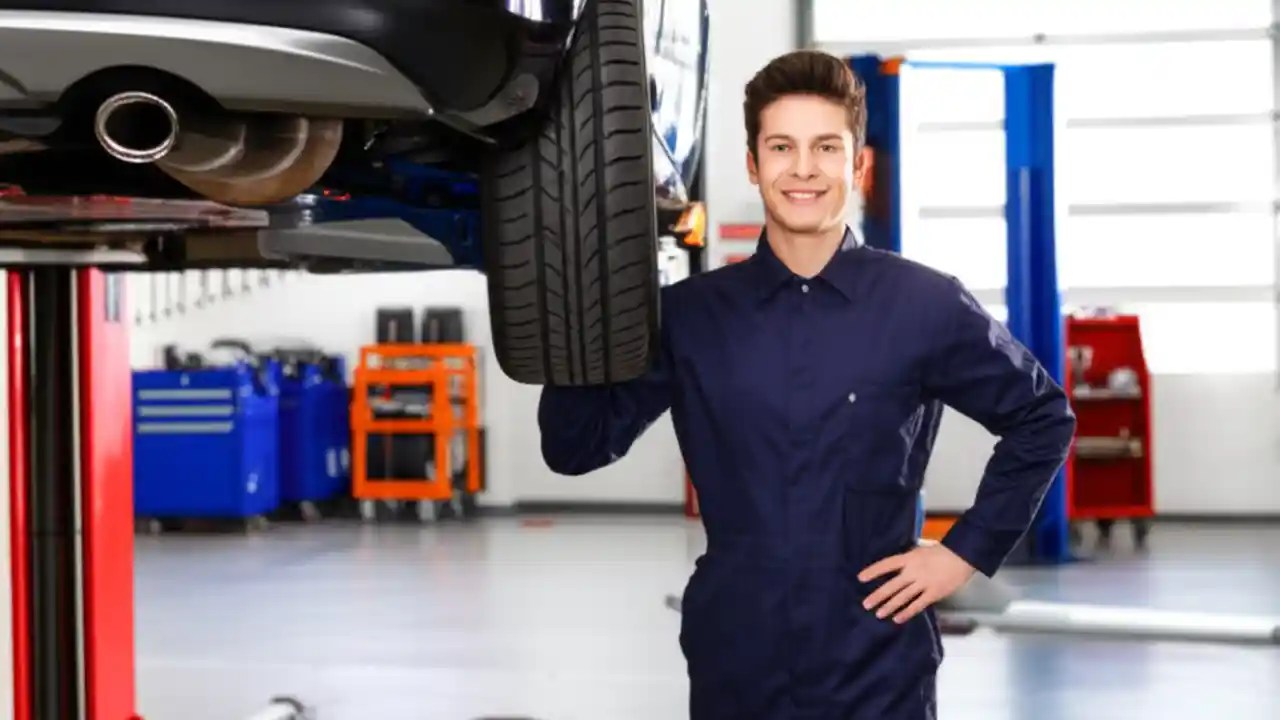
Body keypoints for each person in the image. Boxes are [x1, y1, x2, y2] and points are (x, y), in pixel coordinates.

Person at [537, 49, 1077, 720]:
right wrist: (567, 310)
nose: (802, 169)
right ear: (753, 164)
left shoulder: (923, 304)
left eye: (826, 147)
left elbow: (1042, 416)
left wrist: (964, 553)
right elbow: (577, 447)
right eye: (781, 146)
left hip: (876, 663)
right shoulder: (690, 316)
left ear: (859, 166)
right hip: (735, 656)